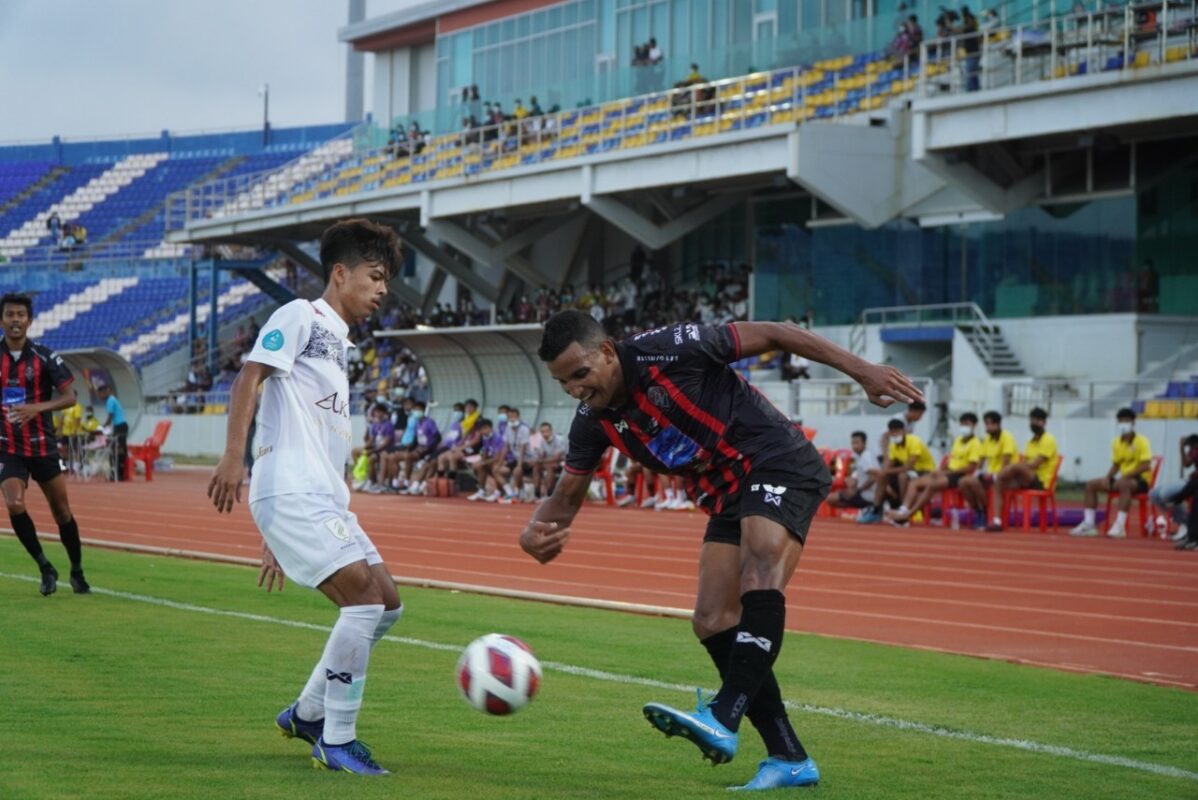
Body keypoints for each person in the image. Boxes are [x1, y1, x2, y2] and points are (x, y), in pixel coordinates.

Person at [518, 311, 920, 790]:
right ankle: (788, 758)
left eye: (580, 374)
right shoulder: (594, 421)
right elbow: (565, 499)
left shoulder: (670, 349)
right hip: (726, 494)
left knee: (760, 564)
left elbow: (776, 333)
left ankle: (723, 716)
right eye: (563, 382)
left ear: (607, 352)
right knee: (711, 619)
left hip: (777, 459)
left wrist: (863, 371)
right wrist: (534, 532)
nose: (574, 389)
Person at [207, 218, 404, 775]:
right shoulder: (301, 316)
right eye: (375, 276)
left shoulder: (339, 344)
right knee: (362, 602)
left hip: (319, 497)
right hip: (295, 491)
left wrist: (279, 535)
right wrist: (233, 457)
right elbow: (249, 377)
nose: (382, 289)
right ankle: (336, 740)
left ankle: (309, 712)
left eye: (386, 280)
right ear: (340, 273)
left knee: (387, 605)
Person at [0, 293, 89, 596]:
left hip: (42, 446)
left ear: (29, 320)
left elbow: (70, 397)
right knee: (14, 504)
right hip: (8, 447)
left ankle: (76, 570)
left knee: (62, 512)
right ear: (2, 320)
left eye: (20, 315)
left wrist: (35, 408)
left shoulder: (45, 356)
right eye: (10, 314)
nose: (15, 320)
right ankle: (45, 567)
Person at [886, 412, 981, 527]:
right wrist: (940, 470)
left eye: (967, 424)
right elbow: (951, 460)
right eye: (962, 424)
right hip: (947, 473)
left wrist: (945, 472)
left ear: (974, 425)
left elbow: (971, 467)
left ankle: (909, 514)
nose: (963, 427)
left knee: (931, 485)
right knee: (914, 483)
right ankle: (903, 510)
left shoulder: (976, 443)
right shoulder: (958, 440)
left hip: (959, 475)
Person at [1071, 408, 1153, 539]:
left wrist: (1126, 476)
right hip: (1122, 480)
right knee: (1091, 485)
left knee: (1124, 484)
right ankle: (1089, 524)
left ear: (1133, 422)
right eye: (1120, 421)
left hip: (1140, 481)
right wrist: (1107, 477)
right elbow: (1116, 464)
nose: (1123, 424)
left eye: (1126, 421)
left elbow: (1146, 465)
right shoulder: (1117, 442)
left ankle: (1120, 526)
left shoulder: (1142, 441)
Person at [981, 407, 1058, 533]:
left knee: (1016, 466)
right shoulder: (1031, 442)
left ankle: (997, 475)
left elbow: (1035, 464)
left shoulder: (1048, 439)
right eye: (1031, 420)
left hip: (1041, 481)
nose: (1033, 423)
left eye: (1036, 421)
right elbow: (1026, 462)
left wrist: (1018, 466)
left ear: (1044, 422)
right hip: (1026, 479)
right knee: (998, 485)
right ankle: (997, 521)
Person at [860, 416, 935, 524]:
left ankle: (902, 510)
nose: (895, 434)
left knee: (902, 476)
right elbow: (887, 465)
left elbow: (908, 466)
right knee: (882, 476)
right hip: (910, 472)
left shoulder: (914, 441)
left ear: (903, 431)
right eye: (892, 432)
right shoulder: (893, 446)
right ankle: (875, 509)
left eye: (897, 431)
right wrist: (884, 471)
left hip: (924, 471)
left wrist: (887, 471)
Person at [958, 410, 1018, 531]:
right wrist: (977, 473)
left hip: (1005, 477)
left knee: (975, 483)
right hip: (990, 475)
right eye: (986, 424)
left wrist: (995, 475)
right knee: (964, 482)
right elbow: (981, 460)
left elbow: (1006, 462)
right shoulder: (987, 439)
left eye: (990, 424)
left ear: (998, 424)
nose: (988, 427)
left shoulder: (1007, 438)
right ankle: (979, 510)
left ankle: (985, 511)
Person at [1149, 433, 1198, 540]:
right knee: (1153, 494)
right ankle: (1183, 520)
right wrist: (1181, 448)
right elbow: (1186, 464)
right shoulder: (1193, 450)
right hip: (1190, 480)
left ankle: (1184, 523)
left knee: (1165, 494)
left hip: (1194, 482)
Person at [825, 431, 877, 517]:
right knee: (846, 485)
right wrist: (852, 485)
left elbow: (874, 477)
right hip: (861, 492)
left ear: (864, 443)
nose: (854, 446)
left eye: (857, 443)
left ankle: (867, 507)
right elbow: (854, 476)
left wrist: (858, 490)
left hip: (867, 494)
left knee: (831, 498)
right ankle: (863, 509)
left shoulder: (866, 457)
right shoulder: (857, 457)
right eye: (853, 443)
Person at [96, 383, 127, 482]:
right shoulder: (112, 399)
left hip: (120, 427)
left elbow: (109, 418)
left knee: (117, 450)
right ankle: (117, 474)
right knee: (117, 450)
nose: (99, 397)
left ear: (104, 392)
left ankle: (118, 474)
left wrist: (102, 427)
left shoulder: (110, 400)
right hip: (119, 426)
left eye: (99, 394)